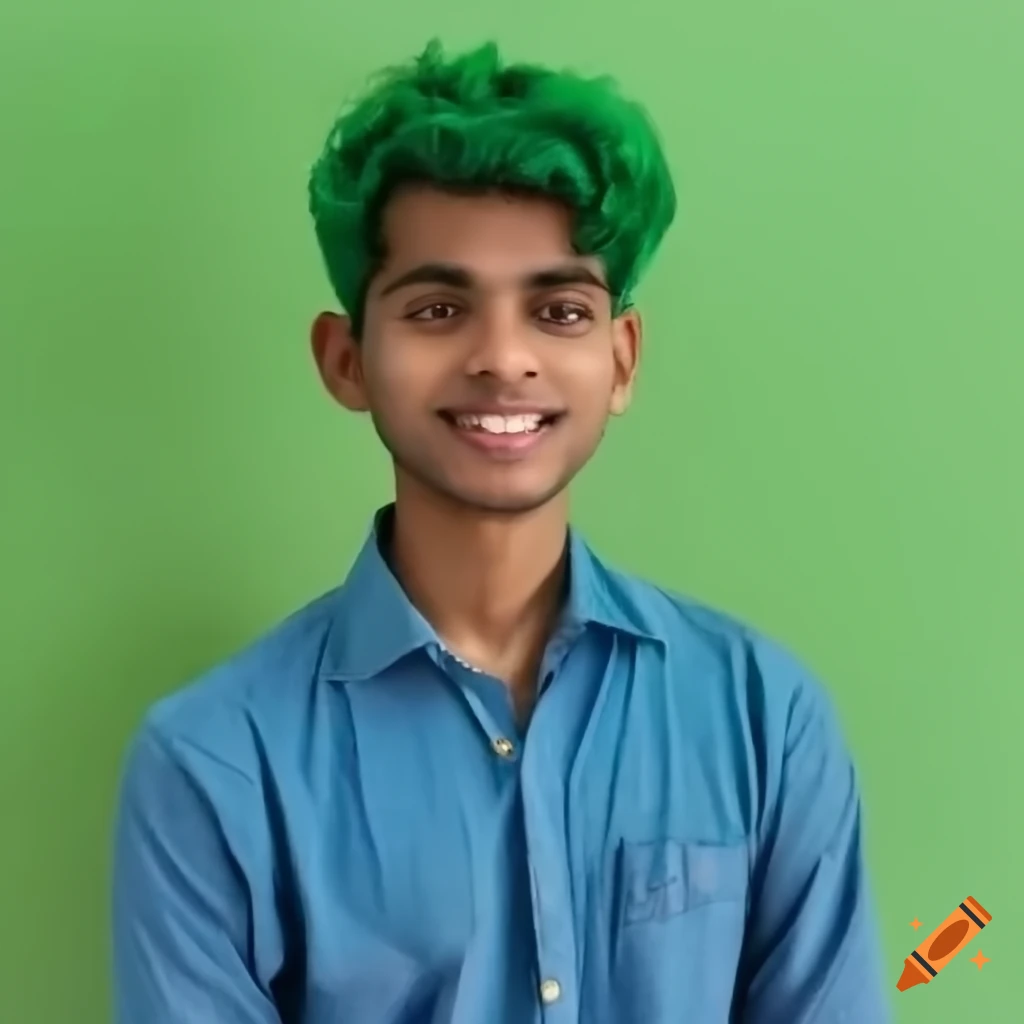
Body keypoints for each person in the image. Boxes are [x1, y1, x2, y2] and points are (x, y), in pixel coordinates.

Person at [112, 39, 891, 1024]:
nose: (503, 357)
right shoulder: (215, 762)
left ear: (620, 359)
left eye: (559, 310)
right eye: (439, 308)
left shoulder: (763, 720)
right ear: (346, 358)